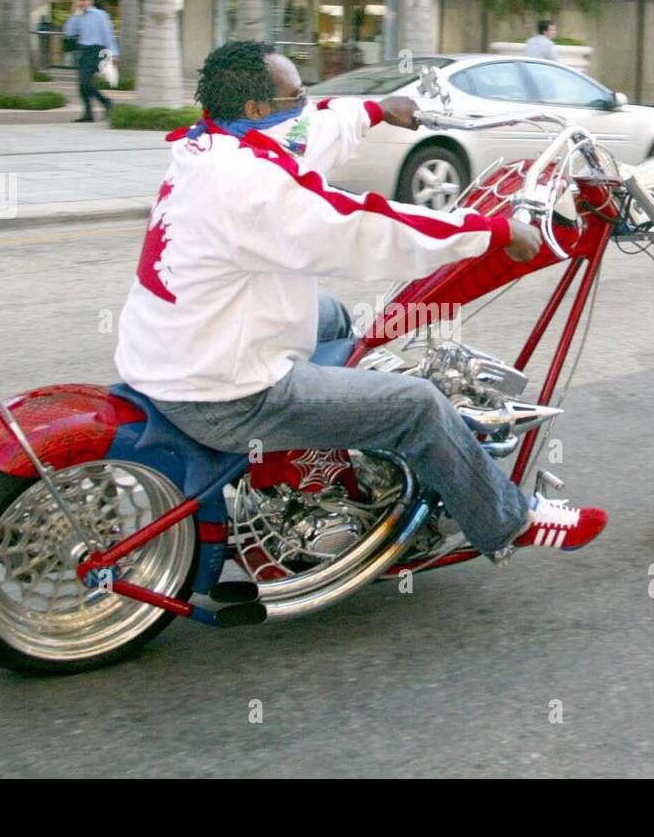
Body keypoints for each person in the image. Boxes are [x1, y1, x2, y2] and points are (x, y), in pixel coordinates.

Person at [114, 41, 609, 560]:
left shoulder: (214, 145)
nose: (306, 106)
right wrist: (490, 230)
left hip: (176, 350)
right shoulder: (250, 183)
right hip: (223, 394)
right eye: (296, 97)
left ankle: (339, 471)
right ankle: (509, 519)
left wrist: (375, 110)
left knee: (334, 319)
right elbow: (364, 228)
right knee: (418, 408)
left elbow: (307, 133)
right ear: (257, 110)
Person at [62, 0, 118, 122]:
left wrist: (113, 53)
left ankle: (106, 102)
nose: (83, 2)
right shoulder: (79, 16)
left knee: (85, 81)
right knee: (82, 84)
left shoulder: (100, 15)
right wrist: (75, 14)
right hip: (84, 50)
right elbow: (69, 32)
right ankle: (89, 113)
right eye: (81, 0)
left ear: (91, 1)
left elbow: (107, 34)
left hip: (97, 50)